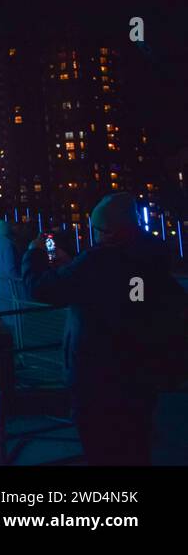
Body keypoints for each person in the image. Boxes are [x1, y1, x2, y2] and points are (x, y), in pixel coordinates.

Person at [21, 192, 186, 465]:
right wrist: (74, 266)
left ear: (108, 231)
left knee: (103, 451)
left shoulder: (98, 262)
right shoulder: (149, 257)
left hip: (97, 379)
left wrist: (33, 254)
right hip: (140, 376)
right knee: (136, 448)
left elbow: (41, 288)